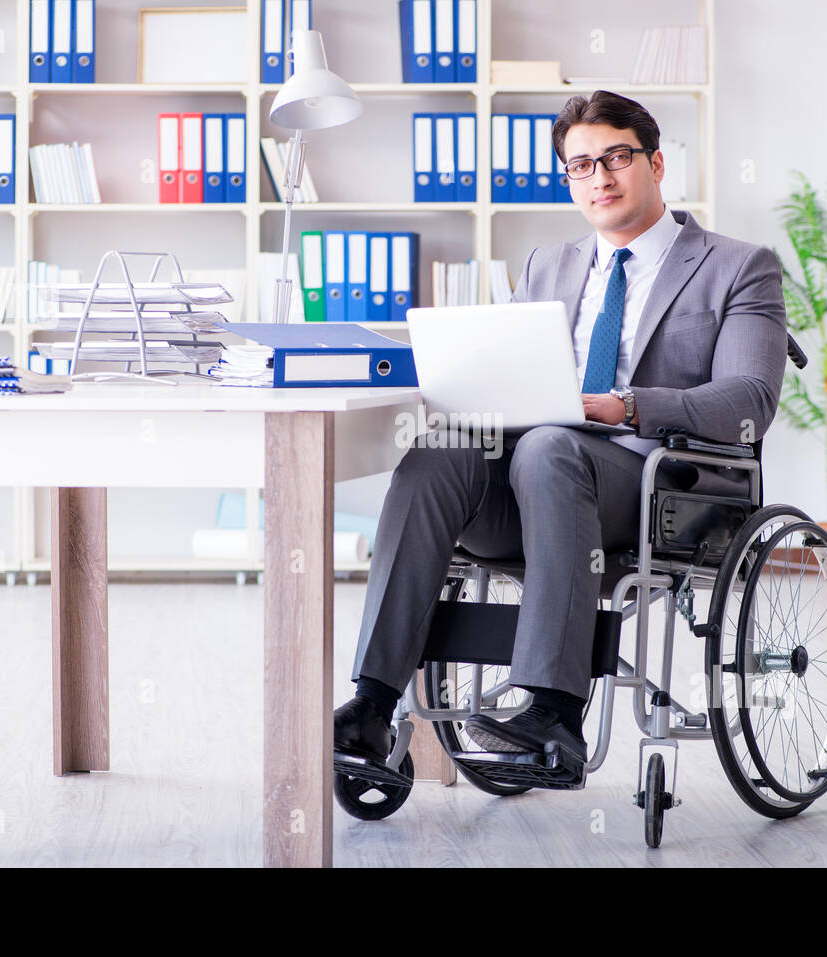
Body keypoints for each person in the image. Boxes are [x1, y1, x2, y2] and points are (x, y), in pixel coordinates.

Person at [334, 90, 788, 778]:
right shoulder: (549, 265)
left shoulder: (737, 265)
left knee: (551, 447)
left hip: (654, 485)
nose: (600, 177)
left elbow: (750, 399)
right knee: (438, 455)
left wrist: (626, 405)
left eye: (616, 157)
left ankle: (553, 711)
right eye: (580, 165)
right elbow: (510, 376)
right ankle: (372, 703)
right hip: (531, 485)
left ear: (657, 162)